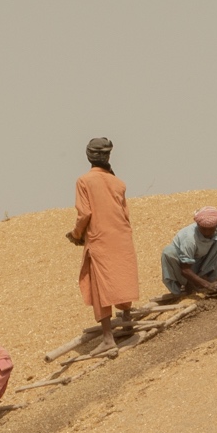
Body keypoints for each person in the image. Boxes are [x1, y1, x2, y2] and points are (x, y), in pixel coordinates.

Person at [67, 136, 140, 349]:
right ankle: (127, 323)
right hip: (122, 236)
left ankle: (108, 338)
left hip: (100, 239)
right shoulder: (118, 182)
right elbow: (125, 214)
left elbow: (84, 214)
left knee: (100, 284)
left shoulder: (84, 181)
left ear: (89, 156)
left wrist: (76, 234)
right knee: (122, 275)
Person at [160, 206, 217, 296]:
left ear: (216, 226)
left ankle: (209, 278)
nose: (207, 232)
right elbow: (185, 269)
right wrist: (207, 285)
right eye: (203, 229)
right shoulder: (189, 239)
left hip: (198, 260)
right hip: (182, 268)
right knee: (168, 251)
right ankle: (188, 283)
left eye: (210, 229)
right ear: (198, 225)